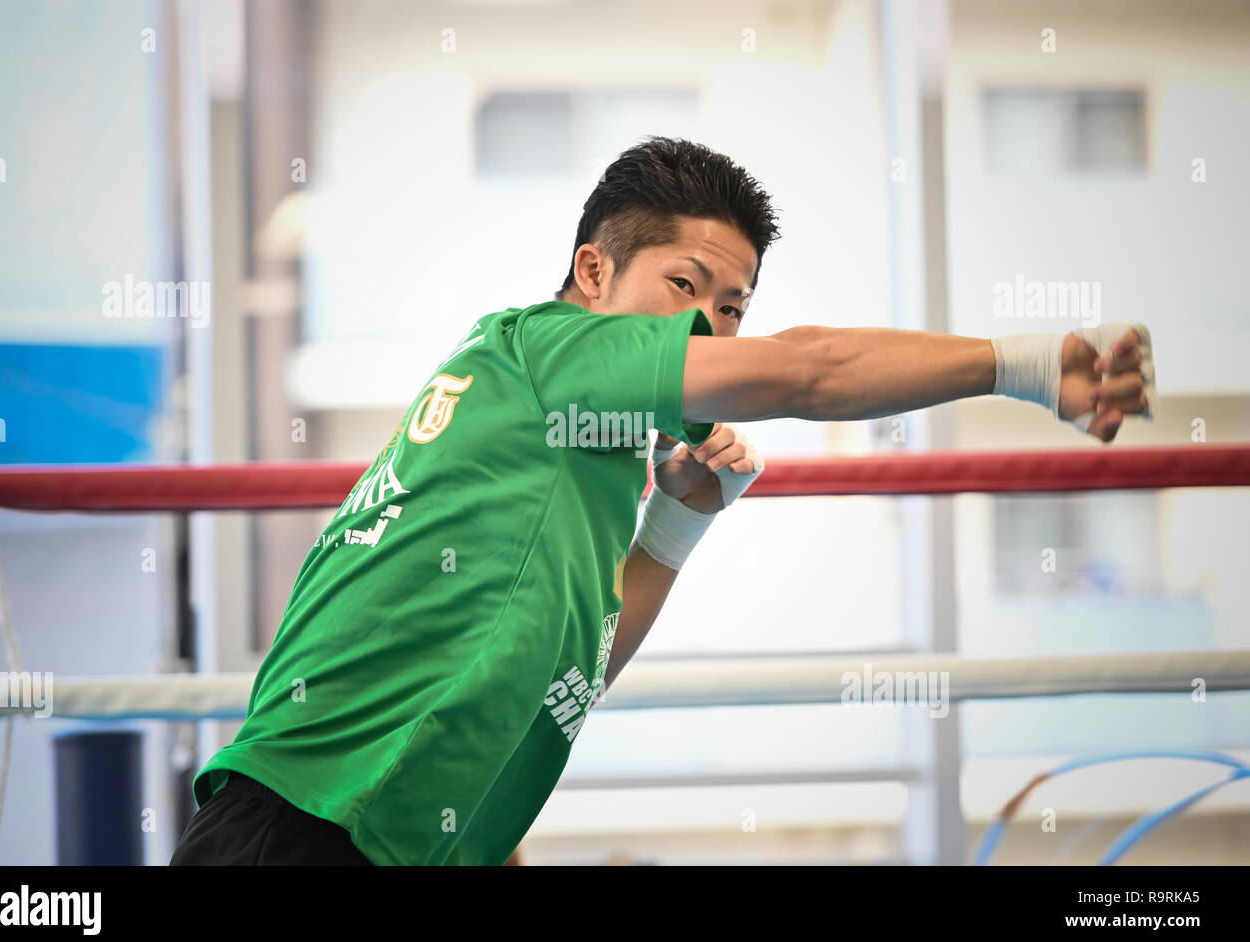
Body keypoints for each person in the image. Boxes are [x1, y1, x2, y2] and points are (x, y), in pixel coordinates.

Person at [171, 136, 1156, 866]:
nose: (707, 325)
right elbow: (809, 369)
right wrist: (1030, 366)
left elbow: (575, 672)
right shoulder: (548, 348)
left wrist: (679, 519)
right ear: (593, 272)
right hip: (296, 831)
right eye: (683, 286)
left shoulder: (575, 455)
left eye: (731, 309)